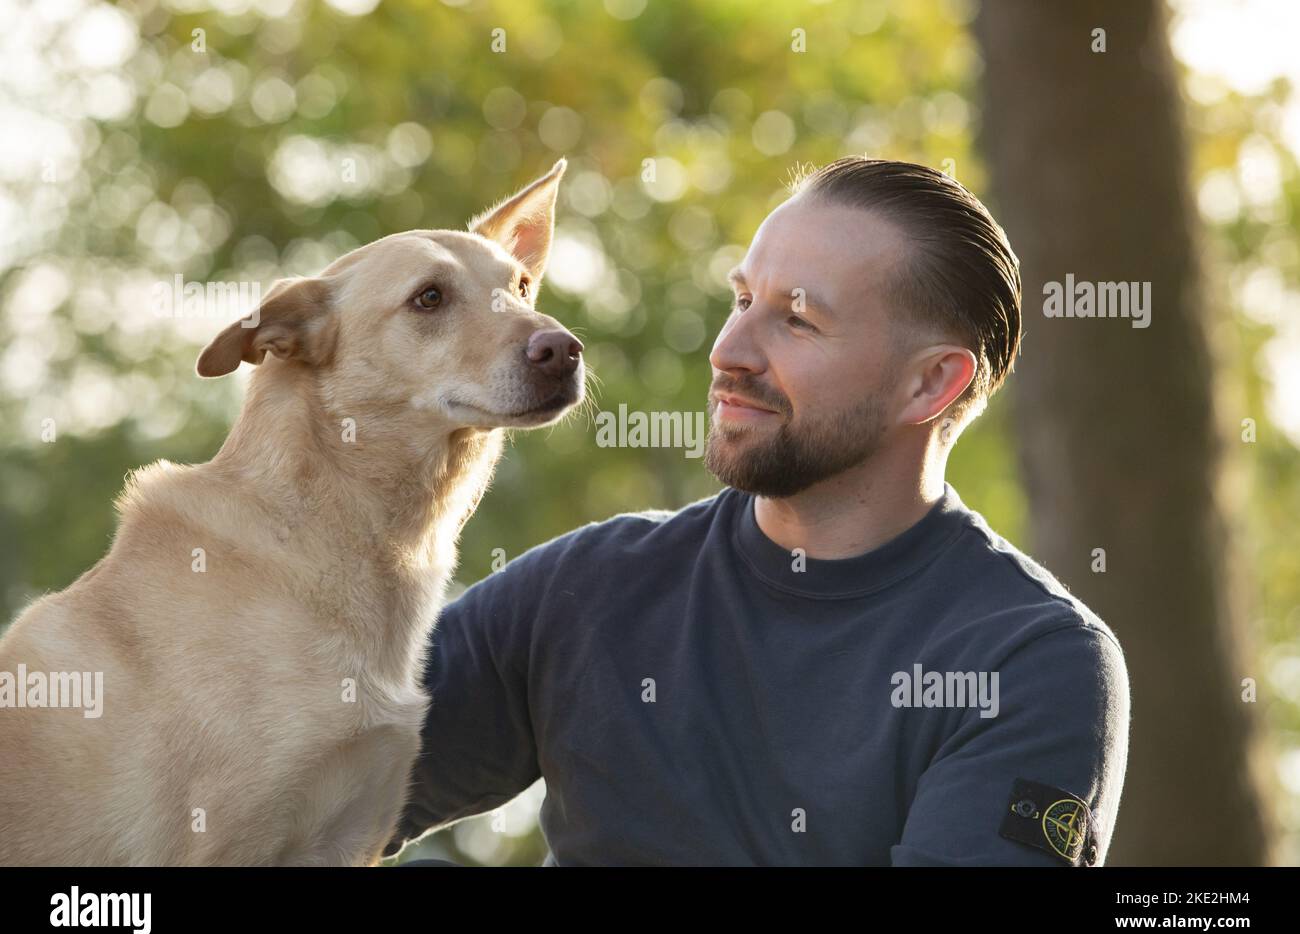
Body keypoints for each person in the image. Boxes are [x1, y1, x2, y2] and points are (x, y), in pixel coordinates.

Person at [385, 157, 1130, 866]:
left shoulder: (1031, 663)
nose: (729, 350)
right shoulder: (585, 589)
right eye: (742, 300)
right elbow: (297, 788)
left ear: (930, 384)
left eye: (797, 321)